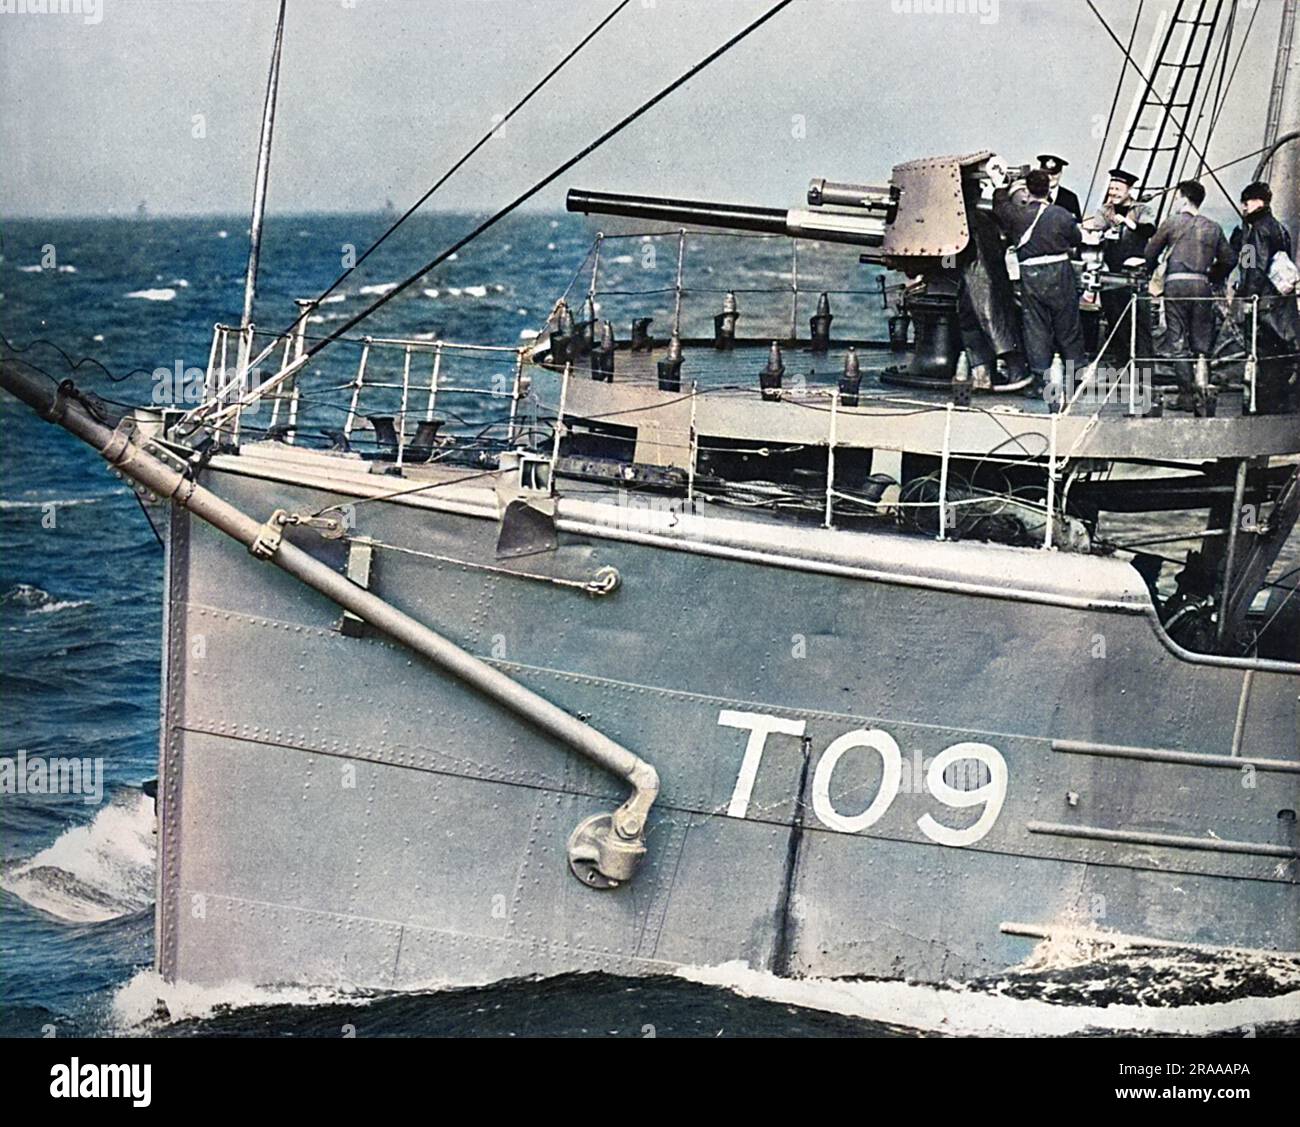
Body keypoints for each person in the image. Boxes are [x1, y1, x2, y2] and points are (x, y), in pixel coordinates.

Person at [1144, 179, 1238, 415]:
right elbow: (1230, 259)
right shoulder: (1214, 227)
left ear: (1183, 197)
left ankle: (1186, 396)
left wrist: (1152, 271)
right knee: (1201, 344)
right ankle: (1203, 394)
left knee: (1177, 343)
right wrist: (1212, 276)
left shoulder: (1171, 223)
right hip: (1202, 286)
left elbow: (1150, 253)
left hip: (1176, 285)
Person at [994, 169, 1086, 407]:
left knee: (1036, 330)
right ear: (1048, 189)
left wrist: (1002, 184)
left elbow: (1000, 205)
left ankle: (1042, 387)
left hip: (1031, 276)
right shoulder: (1062, 214)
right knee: (1069, 330)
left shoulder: (1017, 216)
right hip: (1060, 273)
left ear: (1027, 191)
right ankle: (1075, 386)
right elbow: (1077, 239)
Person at [955, 176, 1030, 390]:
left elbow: (951, 259)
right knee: (1003, 330)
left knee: (973, 330)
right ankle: (1015, 374)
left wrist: (941, 263)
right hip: (996, 282)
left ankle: (983, 376)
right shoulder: (986, 218)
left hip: (973, 284)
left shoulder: (958, 223)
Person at [1230, 181, 1299, 414]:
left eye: (1246, 203)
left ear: (1257, 202)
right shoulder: (1280, 228)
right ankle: (1281, 401)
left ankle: (1262, 405)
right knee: (1279, 355)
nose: (1244, 209)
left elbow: (1253, 267)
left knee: (1263, 353)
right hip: (1280, 302)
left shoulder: (1256, 231)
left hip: (1264, 304)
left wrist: (1249, 297)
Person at [1082, 168, 1156, 366]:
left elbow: (1149, 230)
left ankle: (1143, 365)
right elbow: (1095, 228)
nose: (1113, 192)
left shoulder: (1141, 209)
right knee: (1115, 317)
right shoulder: (1104, 211)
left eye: (1118, 188)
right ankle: (1122, 360)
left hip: (1134, 274)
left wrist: (1129, 223)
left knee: (1139, 321)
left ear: (1129, 190)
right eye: (1111, 188)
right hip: (1109, 274)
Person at [1037, 154, 1083, 222]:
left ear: (1060, 173)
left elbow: (1076, 226)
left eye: (1053, 174)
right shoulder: (1031, 194)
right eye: (1046, 174)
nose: (1050, 177)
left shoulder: (1070, 199)